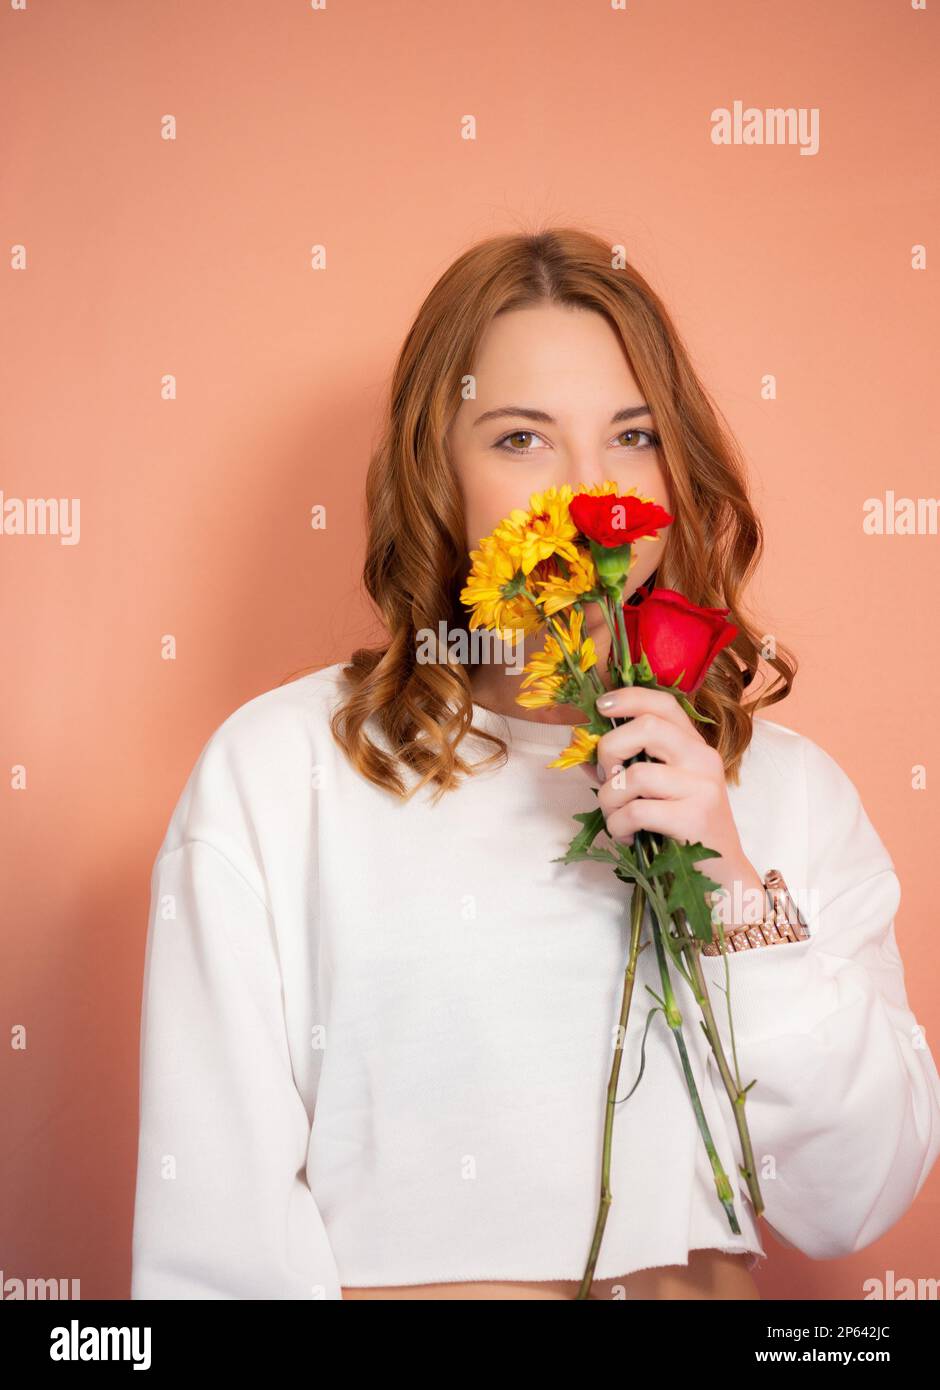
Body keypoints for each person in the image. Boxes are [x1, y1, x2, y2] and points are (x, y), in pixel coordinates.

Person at [130, 227, 940, 1301]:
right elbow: (211, 1251)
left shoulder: (784, 792)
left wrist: (733, 894)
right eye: (520, 439)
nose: (582, 490)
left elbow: (855, 1199)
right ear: (437, 467)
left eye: (632, 435)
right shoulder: (281, 774)